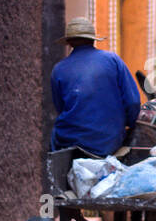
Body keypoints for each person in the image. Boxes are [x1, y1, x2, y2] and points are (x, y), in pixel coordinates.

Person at [50, 17, 140, 157]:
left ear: (69, 43)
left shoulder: (58, 69)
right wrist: (130, 124)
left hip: (70, 142)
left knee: (55, 136)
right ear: (93, 39)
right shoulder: (113, 60)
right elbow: (133, 102)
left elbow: (60, 108)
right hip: (110, 142)